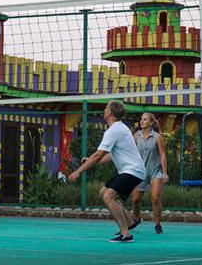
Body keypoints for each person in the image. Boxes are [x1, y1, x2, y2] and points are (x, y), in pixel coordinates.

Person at [69, 101, 146, 243]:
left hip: (133, 170)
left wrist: (78, 171)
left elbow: (98, 155)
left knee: (109, 196)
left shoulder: (114, 130)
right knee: (103, 192)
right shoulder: (120, 128)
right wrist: (91, 160)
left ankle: (126, 234)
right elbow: (110, 155)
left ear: (110, 112)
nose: (104, 110)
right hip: (131, 170)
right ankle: (130, 222)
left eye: (106, 108)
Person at [131, 112, 168, 234]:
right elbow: (130, 153)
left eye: (145, 119)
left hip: (155, 172)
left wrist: (165, 173)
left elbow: (162, 155)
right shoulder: (136, 136)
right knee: (135, 200)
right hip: (140, 172)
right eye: (141, 119)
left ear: (151, 123)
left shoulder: (157, 137)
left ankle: (157, 225)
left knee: (155, 198)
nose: (142, 121)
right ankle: (136, 219)